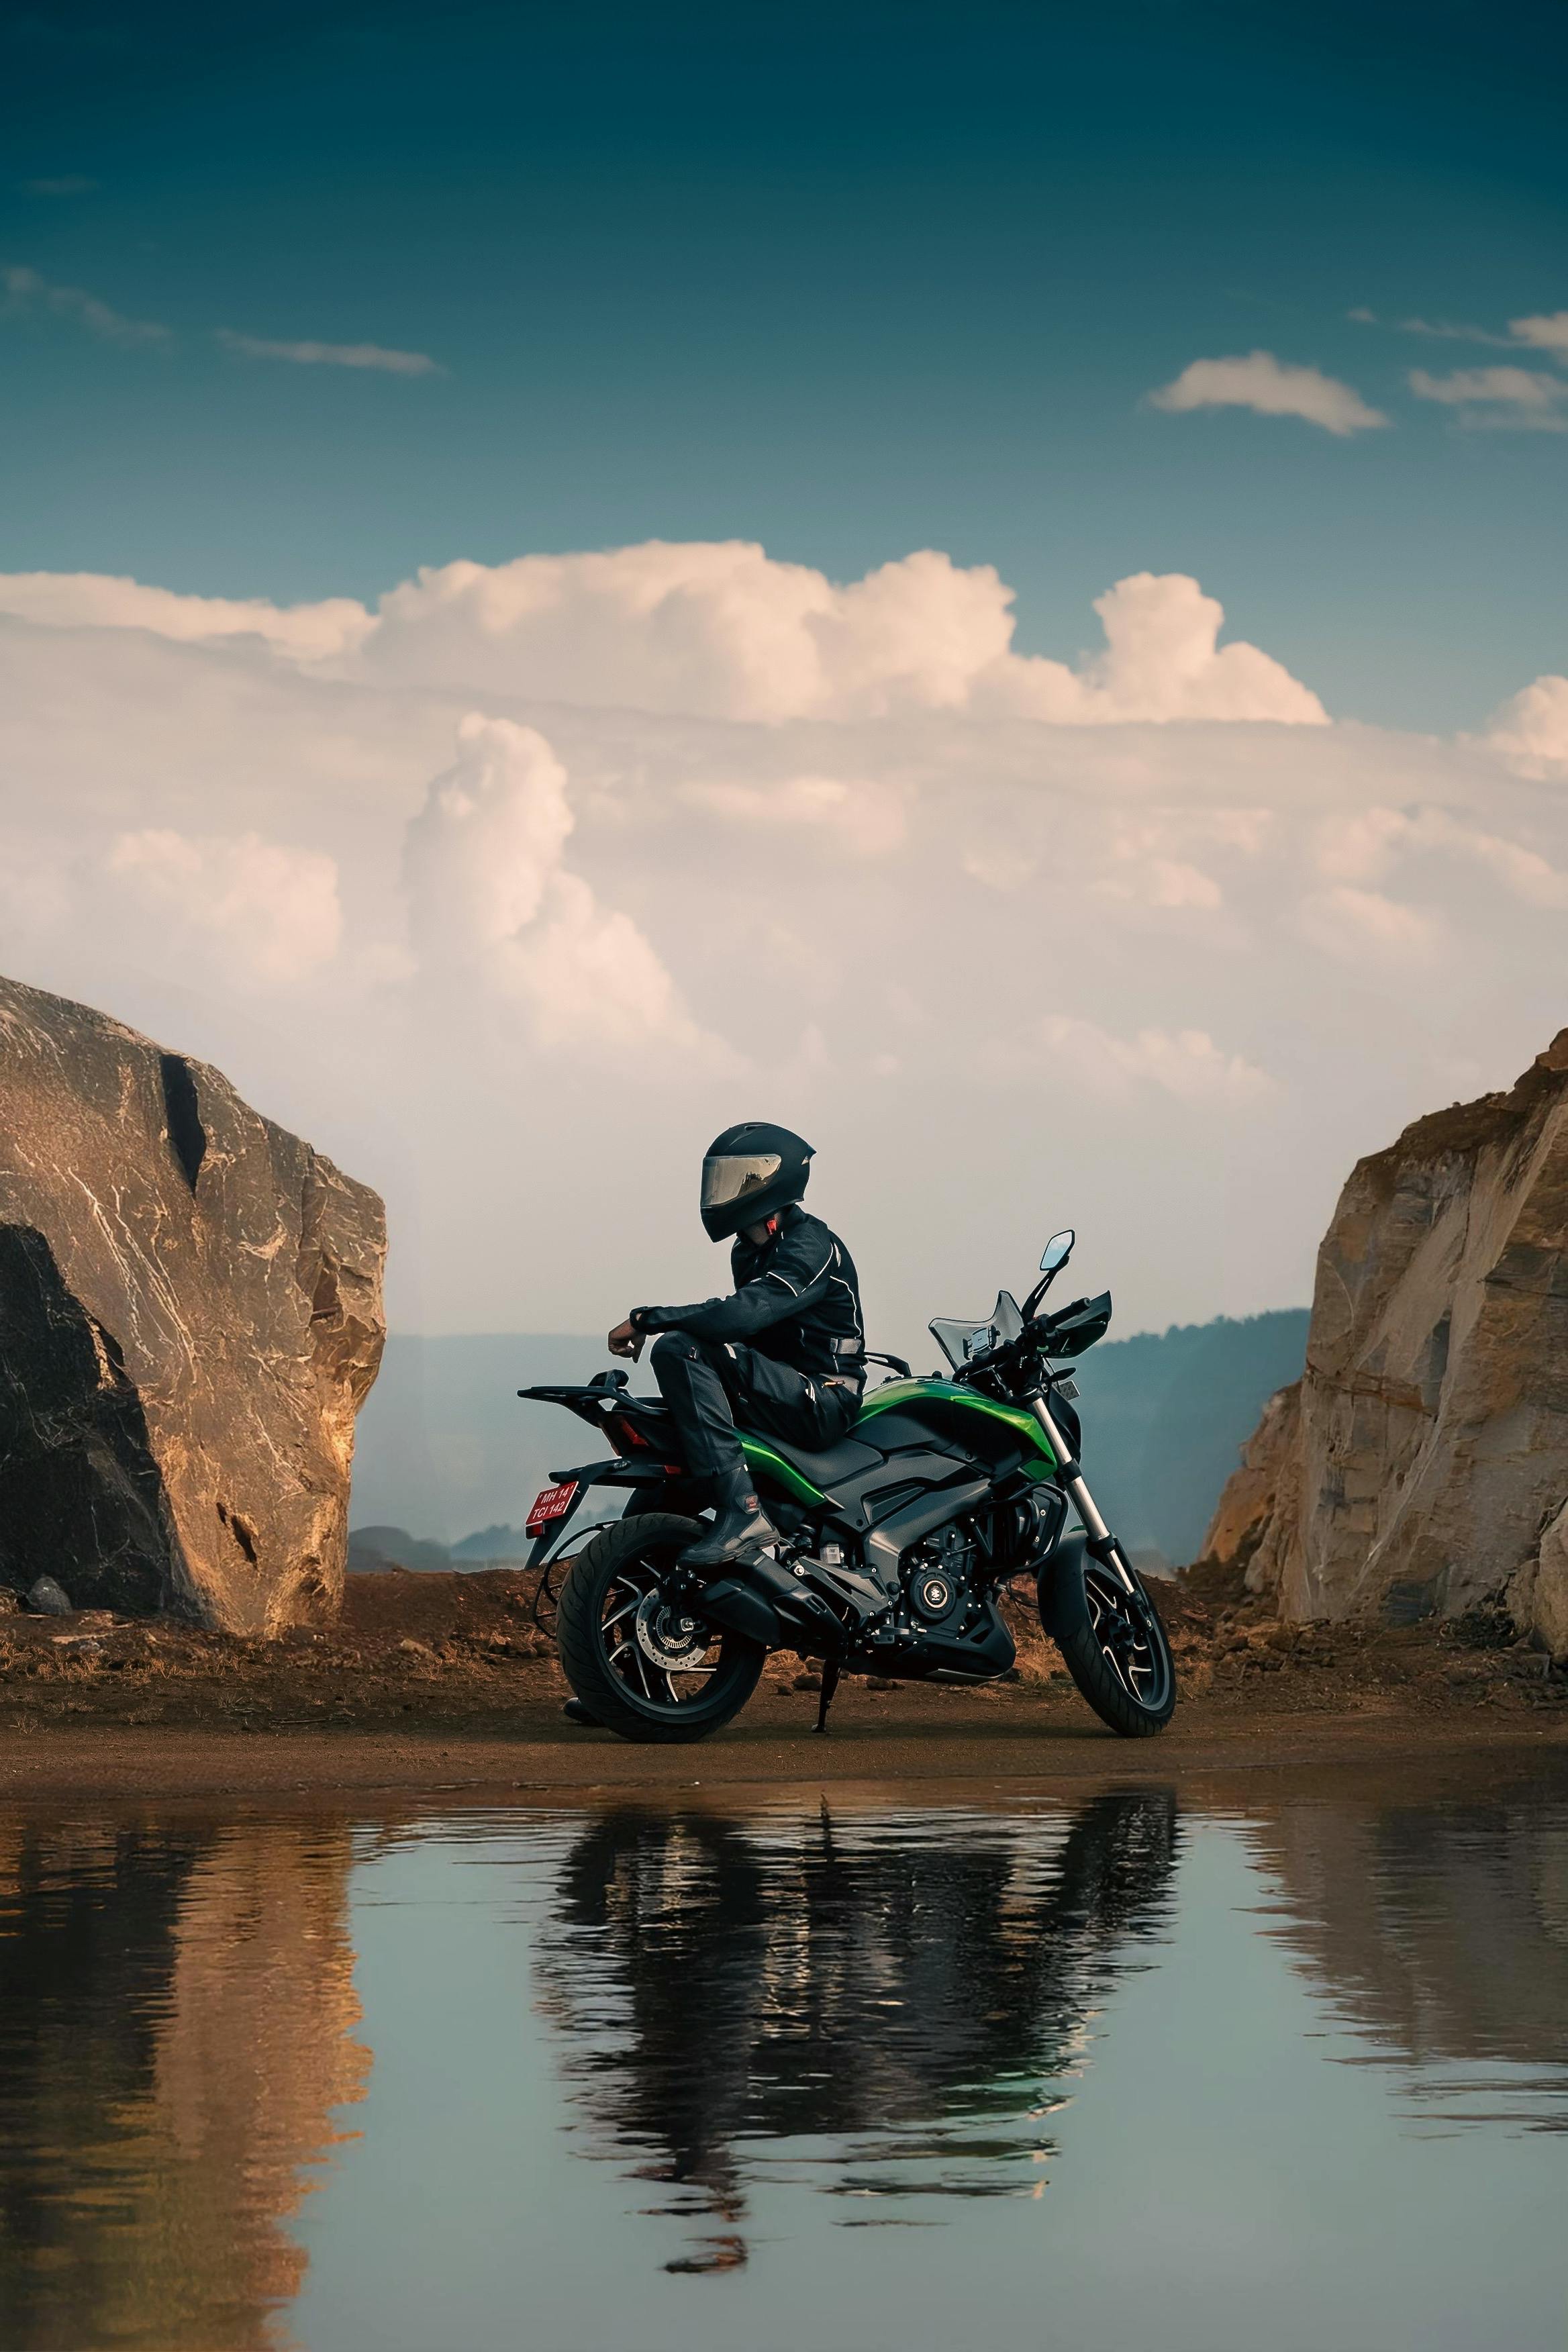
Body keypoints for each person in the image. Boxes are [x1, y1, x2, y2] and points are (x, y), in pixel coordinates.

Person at [607, 1122, 865, 1569]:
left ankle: (744, 1514)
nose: (727, 1191)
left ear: (775, 1180)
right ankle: (632, 1560)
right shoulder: (748, 1250)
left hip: (824, 1397)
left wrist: (647, 1319)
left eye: (743, 1178)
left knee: (678, 1348)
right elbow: (740, 1330)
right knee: (679, 1410)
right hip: (775, 1386)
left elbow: (742, 1316)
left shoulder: (810, 1245)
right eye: (724, 1179)